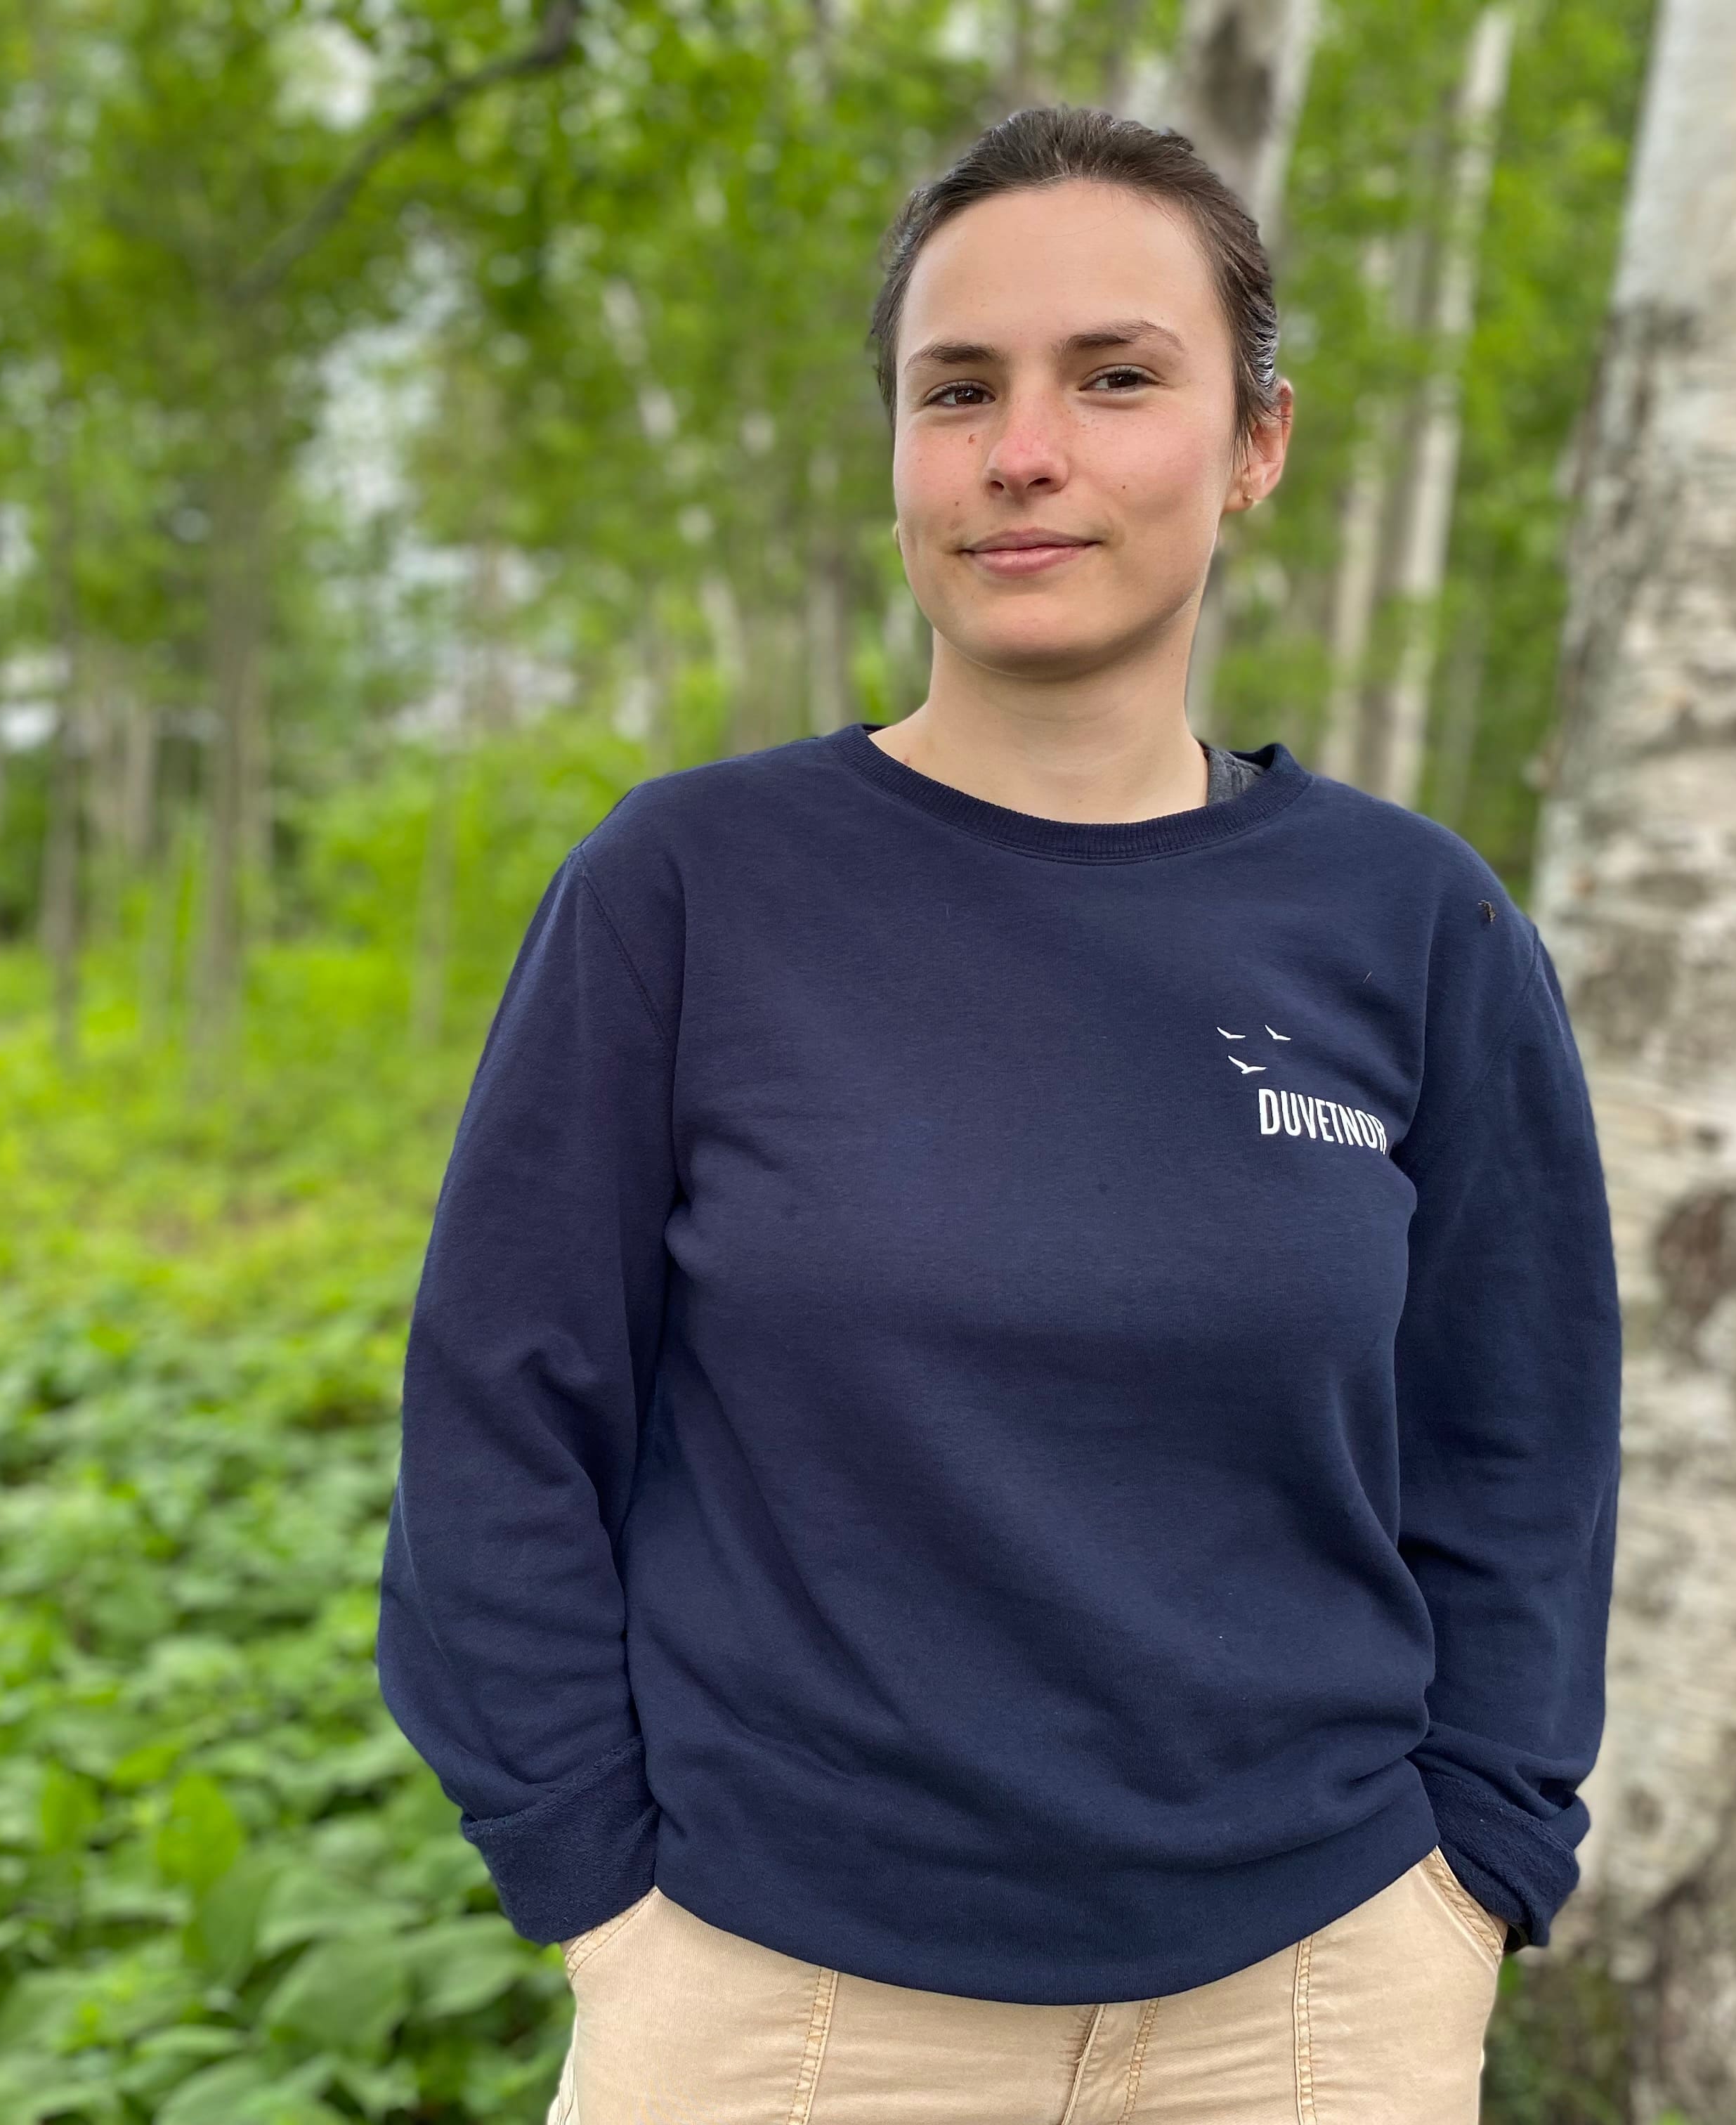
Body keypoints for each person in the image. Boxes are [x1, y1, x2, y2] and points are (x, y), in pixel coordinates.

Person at [377, 103, 1621, 2124]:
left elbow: (1526, 1441)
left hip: (1309, 2008)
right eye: (958, 390)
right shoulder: (689, 891)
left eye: (1116, 378)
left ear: (1255, 447)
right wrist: (605, 1896)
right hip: (779, 2005)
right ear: (898, 453)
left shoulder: (1416, 926)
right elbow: (500, 1418)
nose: (1022, 450)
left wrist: (1473, 1874)